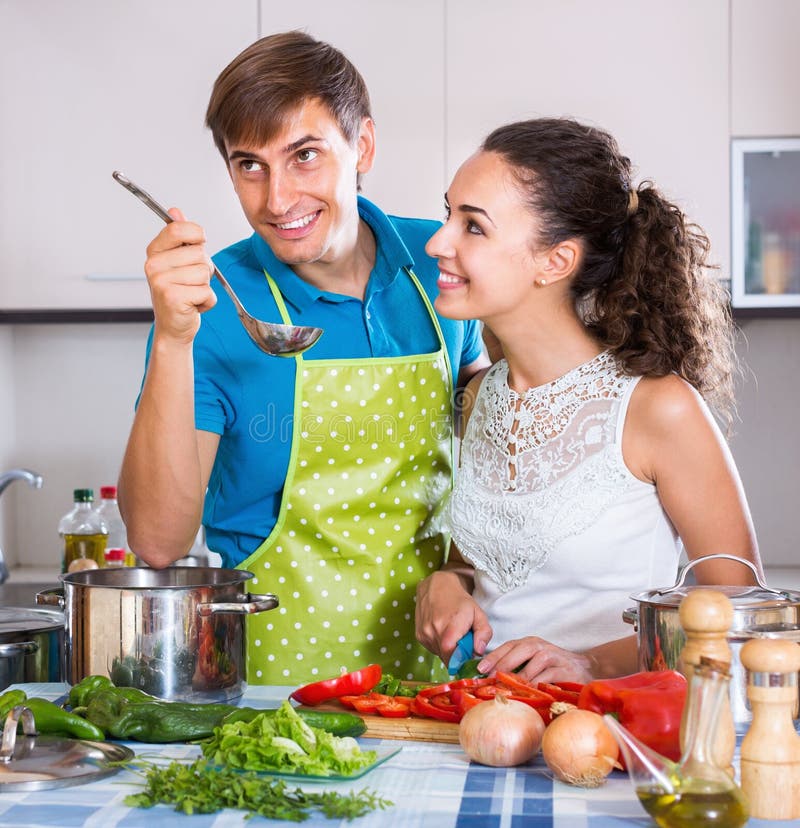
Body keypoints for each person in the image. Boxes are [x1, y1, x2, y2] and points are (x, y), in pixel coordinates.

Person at [117, 31, 488, 684]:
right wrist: (173, 341)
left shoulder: (441, 263)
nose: (278, 199)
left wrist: (463, 570)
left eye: (305, 156)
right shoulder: (212, 310)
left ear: (362, 146)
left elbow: (493, 444)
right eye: (249, 165)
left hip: (436, 684)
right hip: (273, 695)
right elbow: (157, 542)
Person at [415, 117, 762, 685]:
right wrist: (448, 583)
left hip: (617, 739)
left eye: (473, 227)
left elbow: (739, 609)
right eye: (449, 213)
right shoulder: (479, 397)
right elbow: (482, 559)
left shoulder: (657, 408)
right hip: (487, 723)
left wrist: (592, 665)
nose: (437, 242)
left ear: (555, 262)